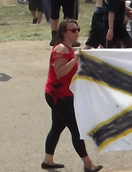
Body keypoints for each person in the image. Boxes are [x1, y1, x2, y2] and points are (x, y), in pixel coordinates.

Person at [42, 19, 102, 172]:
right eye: (73, 30)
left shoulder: (68, 48)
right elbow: (59, 72)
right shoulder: (62, 49)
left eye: (78, 29)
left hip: (61, 94)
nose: (77, 32)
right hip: (59, 96)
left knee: (57, 127)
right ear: (64, 33)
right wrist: (75, 58)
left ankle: (48, 161)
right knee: (76, 129)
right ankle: (88, 164)